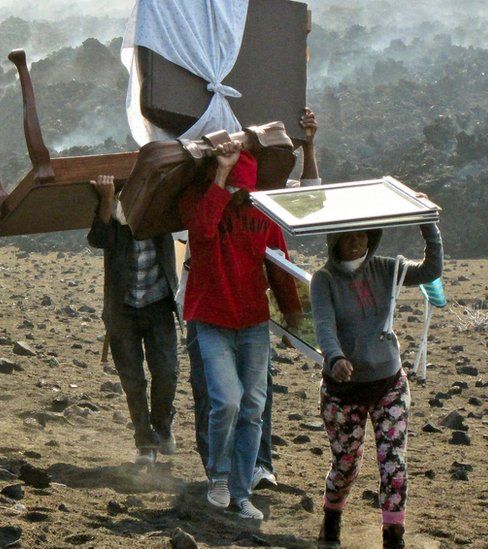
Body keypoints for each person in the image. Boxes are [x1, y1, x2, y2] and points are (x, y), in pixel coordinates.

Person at [184, 108, 322, 490]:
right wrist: (222, 176)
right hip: (207, 314)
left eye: (246, 191)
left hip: (250, 317)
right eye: (236, 191)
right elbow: (202, 230)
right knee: (215, 397)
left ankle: (256, 467)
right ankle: (218, 471)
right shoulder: (200, 199)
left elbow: (280, 261)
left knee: (256, 399)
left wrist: (294, 318)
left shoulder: (262, 210)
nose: (241, 197)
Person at [310, 221, 442, 549]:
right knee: (346, 464)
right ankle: (331, 520)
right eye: (348, 236)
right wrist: (335, 358)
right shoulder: (323, 280)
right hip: (343, 391)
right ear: (335, 241)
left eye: (362, 235)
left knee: (393, 464)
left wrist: (428, 226)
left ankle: (393, 539)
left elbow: (430, 271)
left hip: (389, 385)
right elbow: (324, 326)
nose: (357, 242)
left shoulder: (386, 268)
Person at [88, 174, 179, 465]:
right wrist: (106, 199)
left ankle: (162, 424)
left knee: (166, 372)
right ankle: (145, 442)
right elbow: (97, 238)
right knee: (133, 381)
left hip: (158, 304)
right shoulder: (113, 219)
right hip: (122, 309)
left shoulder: (159, 215)